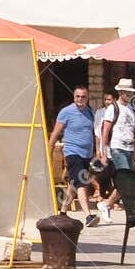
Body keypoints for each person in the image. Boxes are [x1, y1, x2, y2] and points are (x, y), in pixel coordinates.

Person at [96, 79, 135, 227]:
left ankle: (106, 204)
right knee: (126, 180)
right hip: (117, 148)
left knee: (130, 181)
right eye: (126, 92)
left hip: (129, 149)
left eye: (131, 92)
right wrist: (103, 152)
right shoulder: (113, 108)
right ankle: (134, 214)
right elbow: (104, 131)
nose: (129, 94)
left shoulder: (132, 109)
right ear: (120, 92)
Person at [47, 85, 96, 220]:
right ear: (74, 97)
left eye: (83, 97)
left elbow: (92, 133)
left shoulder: (90, 112)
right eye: (77, 96)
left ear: (87, 98)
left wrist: (96, 151)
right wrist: (48, 153)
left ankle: (62, 211)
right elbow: (55, 133)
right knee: (81, 182)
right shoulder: (66, 112)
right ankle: (88, 215)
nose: (80, 99)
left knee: (73, 184)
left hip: (86, 154)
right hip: (72, 152)